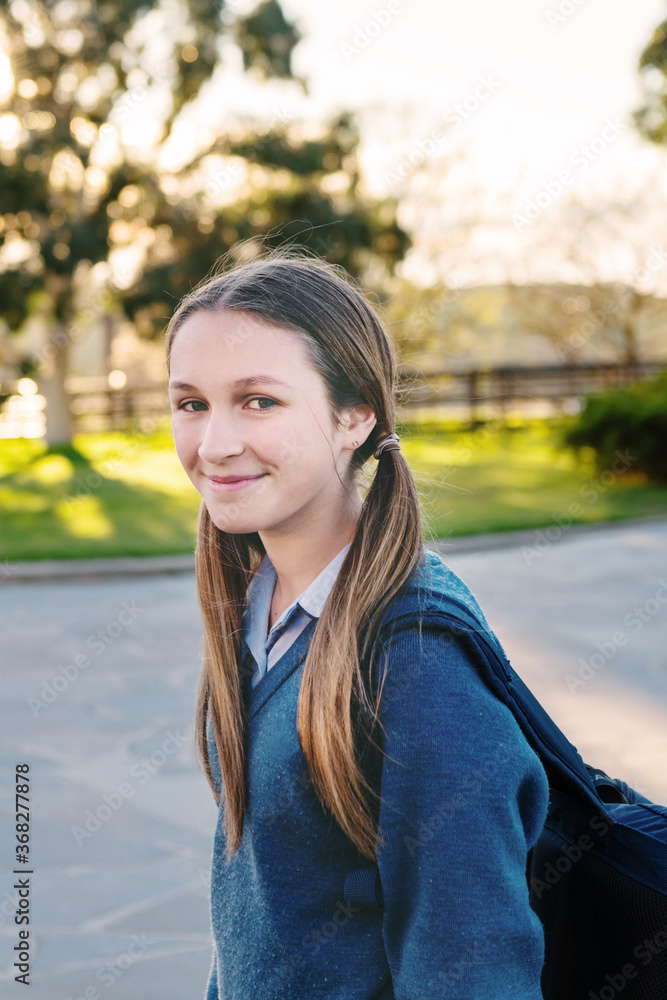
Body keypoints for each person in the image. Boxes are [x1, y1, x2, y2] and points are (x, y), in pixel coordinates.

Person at [165, 247, 549, 999]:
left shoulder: (416, 666)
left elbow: (472, 973)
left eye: (258, 401)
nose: (213, 444)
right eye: (191, 404)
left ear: (355, 417)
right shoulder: (257, 607)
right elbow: (267, 915)